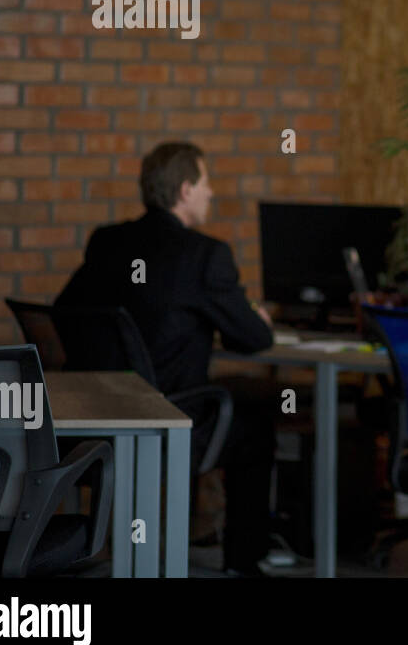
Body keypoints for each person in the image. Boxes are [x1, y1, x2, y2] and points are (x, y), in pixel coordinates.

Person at [55, 141, 277, 576]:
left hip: (93, 422)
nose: (212, 193)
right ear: (186, 190)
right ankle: (243, 563)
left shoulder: (108, 243)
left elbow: (64, 313)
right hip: (169, 423)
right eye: (207, 183)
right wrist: (256, 317)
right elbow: (254, 339)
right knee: (258, 420)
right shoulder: (205, 256)